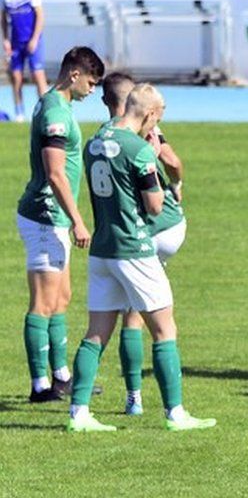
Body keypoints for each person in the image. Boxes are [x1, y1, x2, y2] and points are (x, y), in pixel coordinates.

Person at [67, 83, 214, 432]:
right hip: (134, 248)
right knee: (164, 329)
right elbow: (155, 205)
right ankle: (175, 413)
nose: (155, 127)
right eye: (156, 119)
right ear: (149, 114)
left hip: (102, 250)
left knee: (96, 333)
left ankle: (79, 413)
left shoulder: (95, 142)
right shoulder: (140, 151)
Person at [16, 46, 103, 403]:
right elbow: (54, 172)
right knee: (42, 302)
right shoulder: (54, 110)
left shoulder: (58, 104)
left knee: (61, 298)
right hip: (43, 216)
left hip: (55, 218)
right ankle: (40, 386)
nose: (93, 91)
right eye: (91, 83)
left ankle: (62, 377)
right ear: (74, 75)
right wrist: (79, 220)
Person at [100, 73, 188, 415]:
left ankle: (134, 397)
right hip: (162, 227)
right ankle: (173, 408)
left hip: (127, 234)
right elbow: (173, 162)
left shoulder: (103, 136)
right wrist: (177, 185)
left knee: (131, 316)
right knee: (155, 319)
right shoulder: (146, 130)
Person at [1, 0, 47, 123]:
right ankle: (19, 113)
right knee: (16, 77)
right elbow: (3, 19)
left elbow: (40, 15)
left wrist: (34, 39)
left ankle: (44, 111)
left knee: (38, 76)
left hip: (33, 40)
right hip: (16, 42)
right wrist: (5, 39)